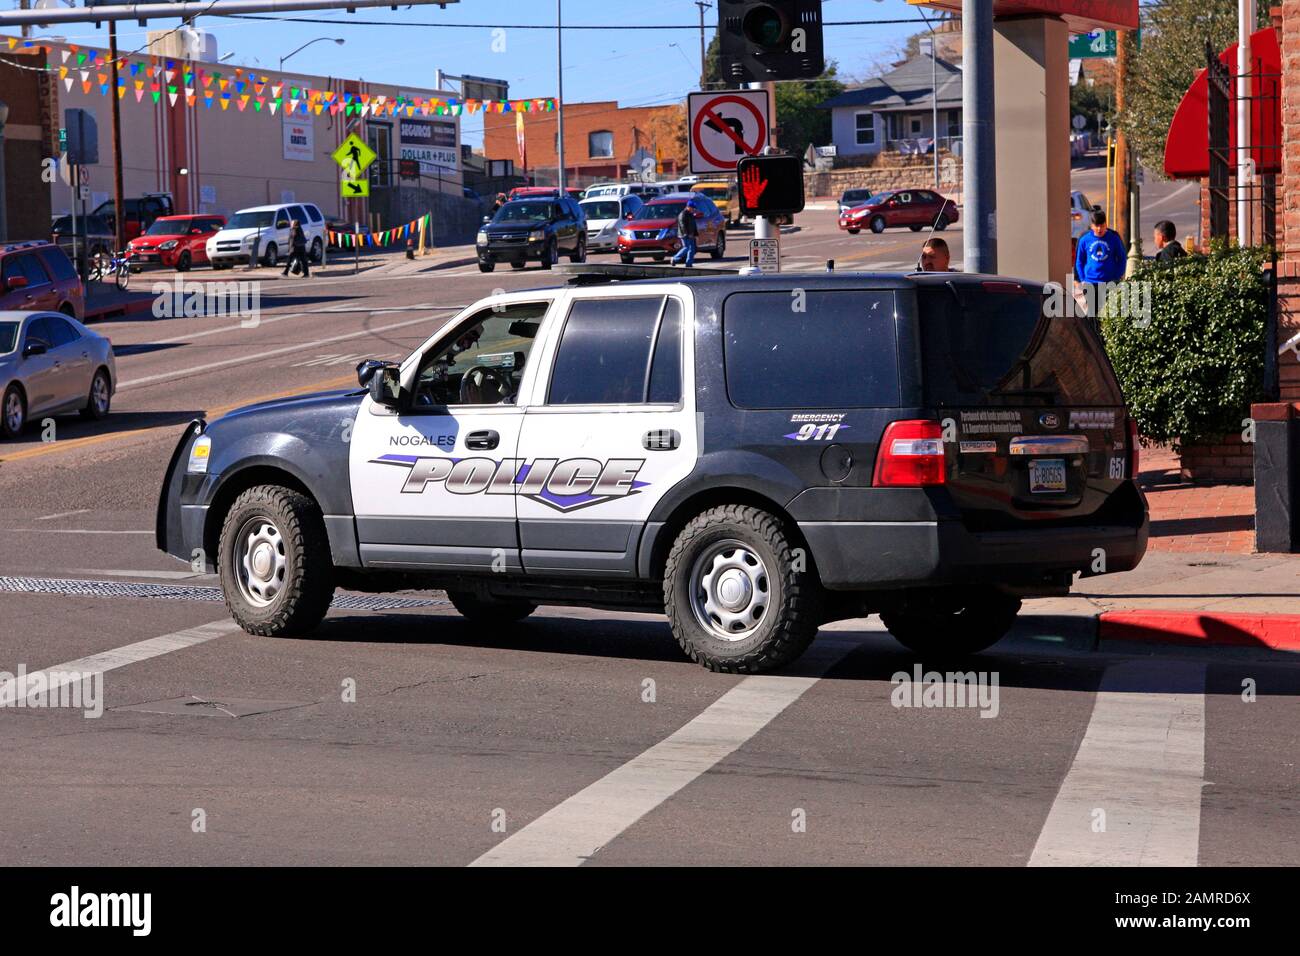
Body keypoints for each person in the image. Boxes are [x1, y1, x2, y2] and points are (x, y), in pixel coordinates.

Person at [1074, 209, 1127, 286]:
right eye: (1096, 226)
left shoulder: (1114, 238)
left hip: (1109, 282)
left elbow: (1122, 258)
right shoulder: (1084, 239)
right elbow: (1079, 261)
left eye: (1102, 226)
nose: (1099, 229)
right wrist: (1082, 279)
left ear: (1106, 224)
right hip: (1089, 282)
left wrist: (1117, 276)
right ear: (1092, 226)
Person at [671, 199, 699, 267]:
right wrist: (687, 233)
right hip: (684, 234)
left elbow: (693, 225)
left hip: (691, 234)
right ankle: (674, 258)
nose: (693, 209)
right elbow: (682, 225)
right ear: (688, 207)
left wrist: (695, 233)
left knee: (692, 249)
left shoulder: (690, 214)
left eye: (694, 208)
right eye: (692, 208)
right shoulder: (683, 214)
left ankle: (689, 263)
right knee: (686, 248)